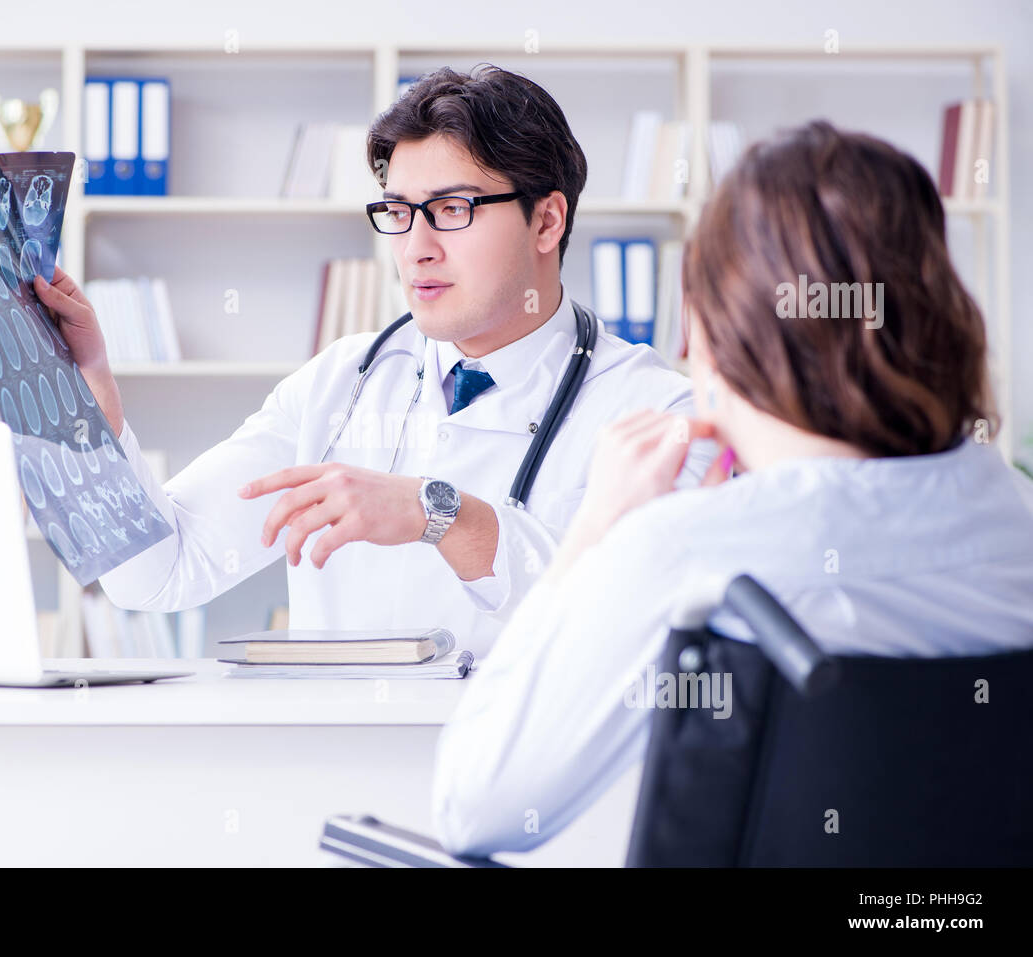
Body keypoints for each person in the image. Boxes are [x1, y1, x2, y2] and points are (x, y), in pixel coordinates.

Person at [432, 119, 1033, 855]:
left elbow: (474, 805)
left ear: (717, 334)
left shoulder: (687, 553)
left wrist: (593, 533)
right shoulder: (1012, 514)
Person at [34, 65, 714, 658]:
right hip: (345, 784)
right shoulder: (340, 383)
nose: (415, 247)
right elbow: (157, 572)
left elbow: (640, 624)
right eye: (398, 210)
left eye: (451, 209)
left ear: (547, 221)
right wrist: (90, 393)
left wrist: (438, 512)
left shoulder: (655, 412)